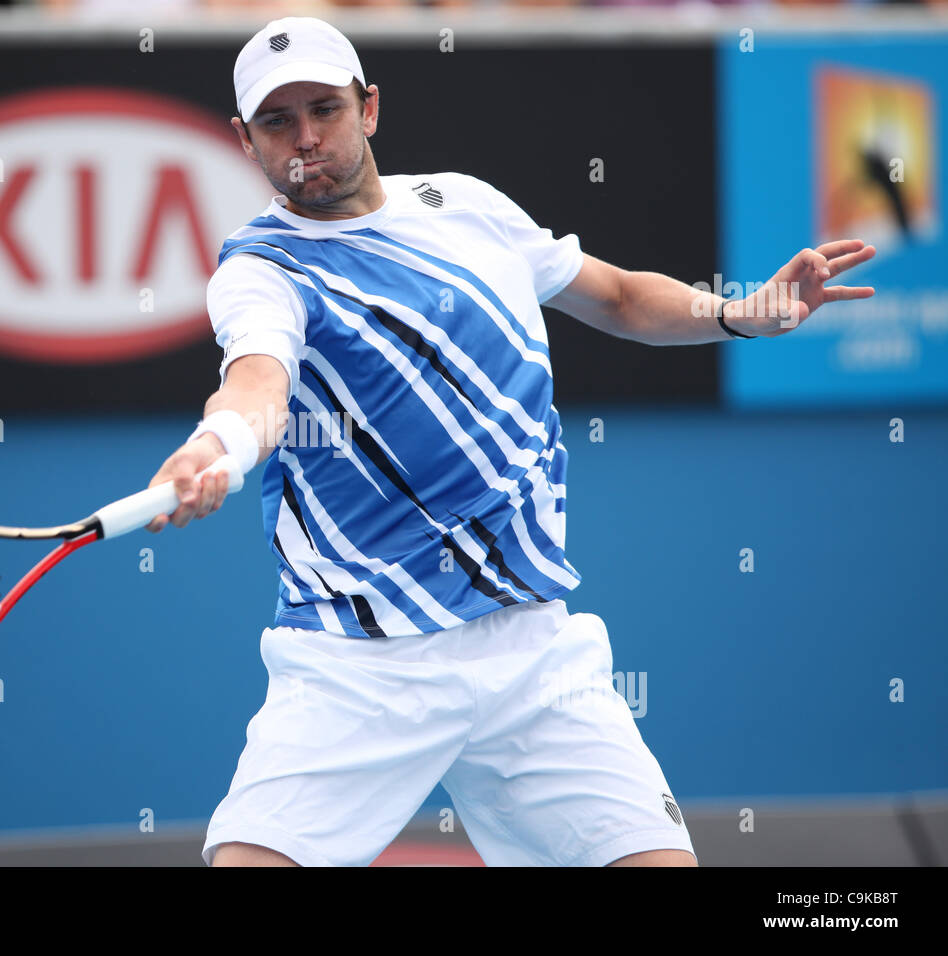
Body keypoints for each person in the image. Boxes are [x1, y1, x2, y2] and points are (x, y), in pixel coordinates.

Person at [144, 16, 876, 867]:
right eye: (277, 121)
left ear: (369, 107)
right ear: (243, 140)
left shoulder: (466, 206)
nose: (306, 138)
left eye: (325, 109)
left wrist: (742, 314)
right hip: (356, 663)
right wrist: (220, 446)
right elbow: (258, 384)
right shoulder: (259, 271)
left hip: (529, 653)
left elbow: (621, 298)